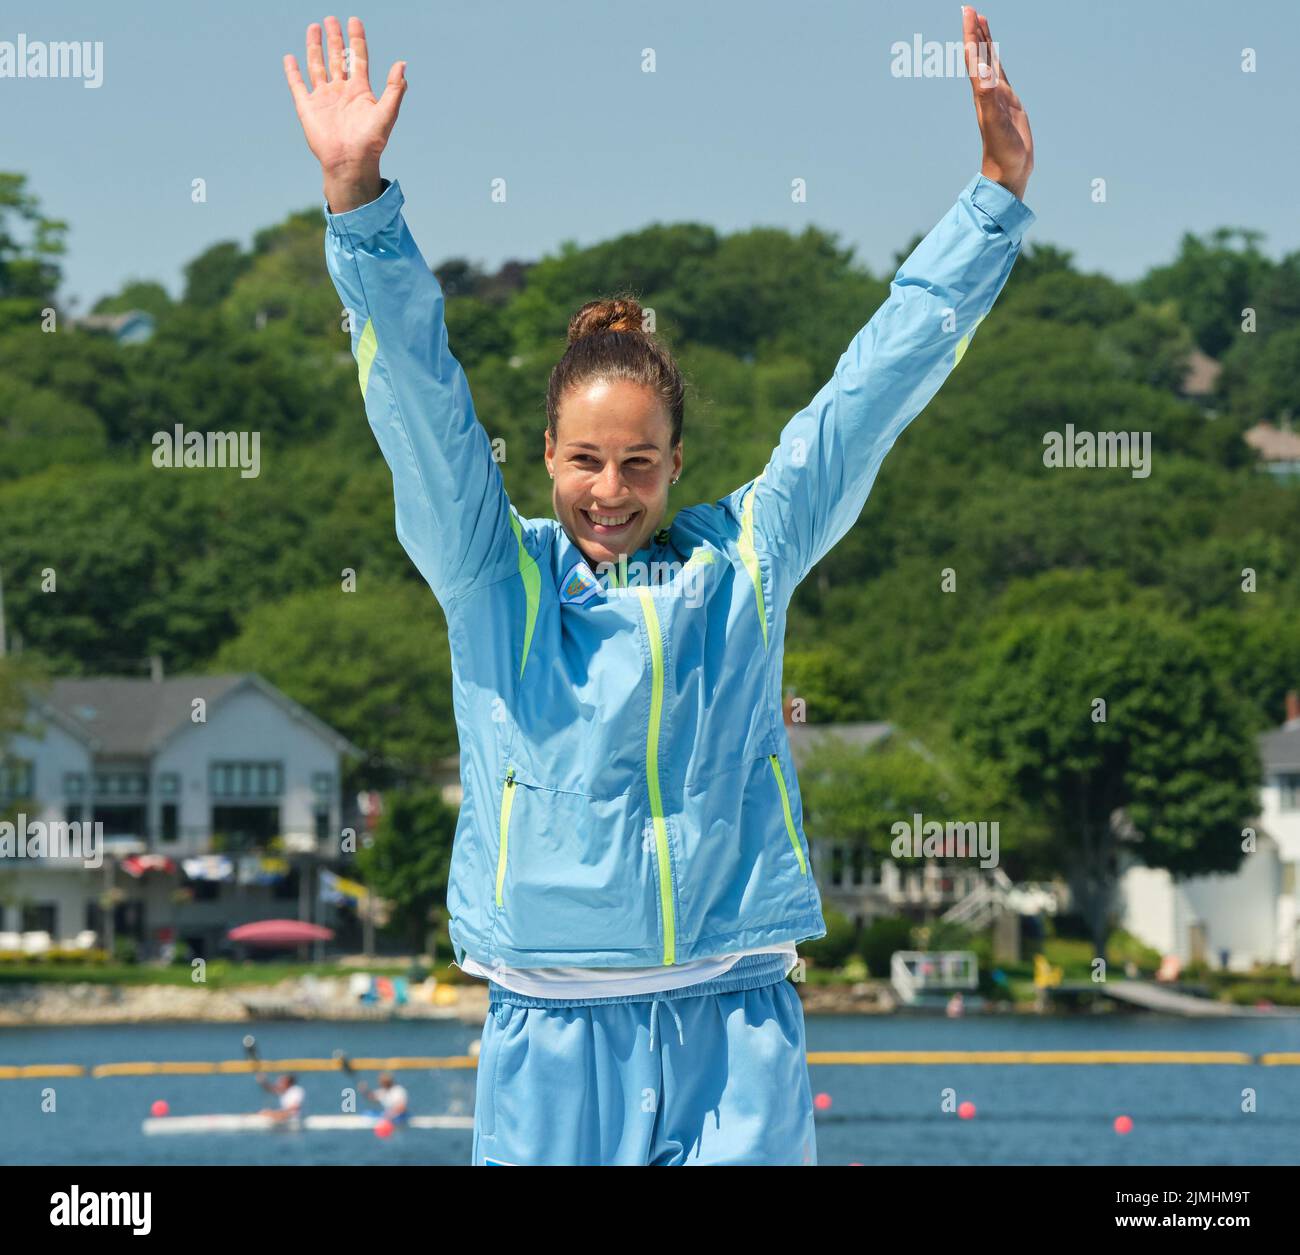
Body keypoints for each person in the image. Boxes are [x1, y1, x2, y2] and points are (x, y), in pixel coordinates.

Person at [283, 8, 1034, 1165]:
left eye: (639, 463)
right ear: (544, 457)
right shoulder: (497, 575)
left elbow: (866, 395)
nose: (610, 490)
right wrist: (358, 206)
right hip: (550, 1020)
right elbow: (421, 407)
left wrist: (990, 203)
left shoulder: (746, 558)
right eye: (585, 461)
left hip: (733, 1017)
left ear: (677, 463)